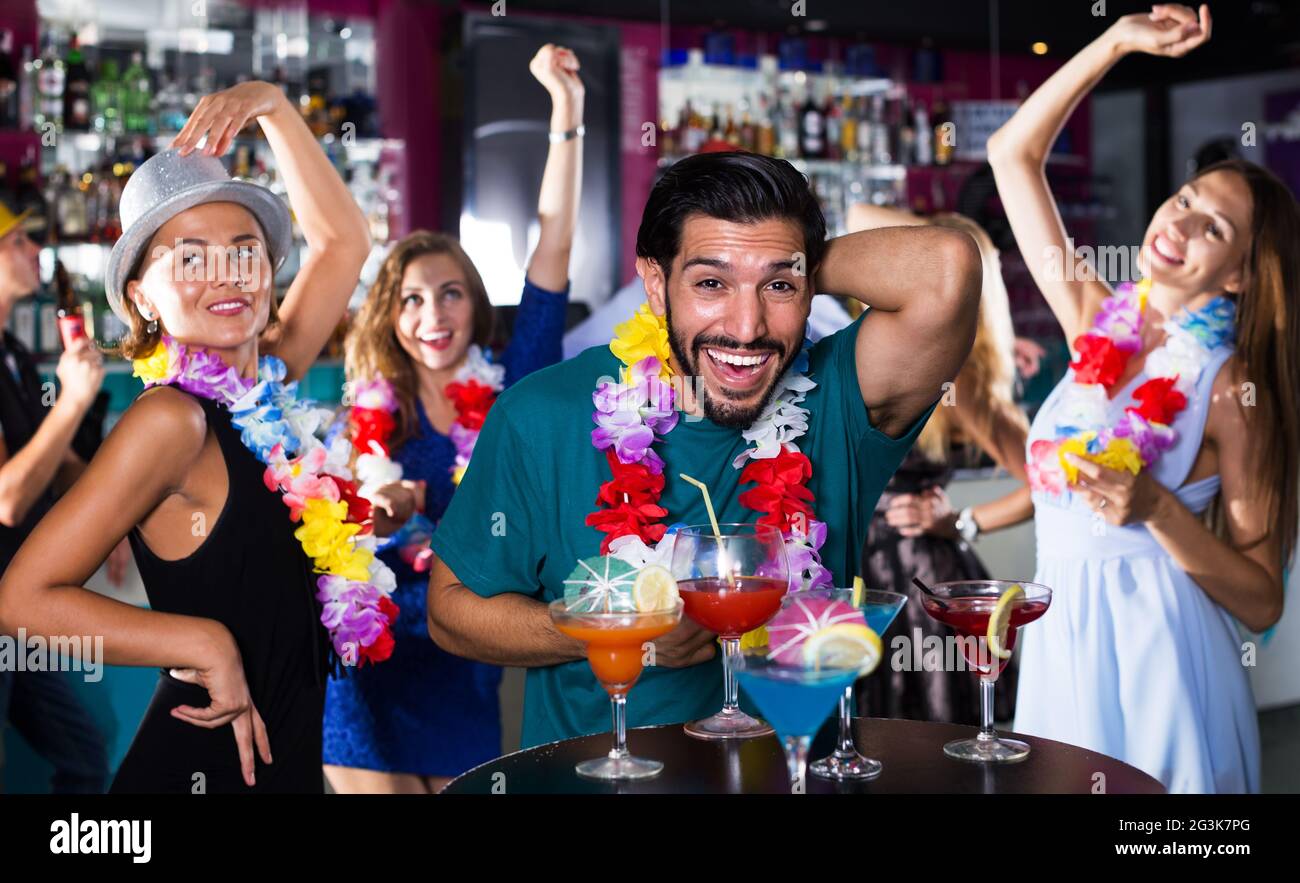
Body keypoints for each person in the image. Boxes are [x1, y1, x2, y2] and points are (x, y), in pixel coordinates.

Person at [426, 150, 982, 748]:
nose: (746, 327)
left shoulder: (836, 398)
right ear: (657, 283)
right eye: (711, 283)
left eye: (778, 287)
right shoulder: (541, 414)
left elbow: (946, 267)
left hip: (797, 778)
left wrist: (777, 265)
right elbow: (451, 611)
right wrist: (609, 631)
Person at [0, 79, 371, 793]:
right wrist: (199, 640)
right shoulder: (172, 420)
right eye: (190, 256)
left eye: (244, 248)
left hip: (280, 766)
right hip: (200, 773)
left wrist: (273, 108)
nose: (227, 273)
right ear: (141, 292)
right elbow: (21, 599)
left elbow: (343, 242)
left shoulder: (264, 386)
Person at [989, 3, 1297, 792]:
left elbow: (1262, 601)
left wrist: (1157, 509)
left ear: (1235, 277)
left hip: (1166, 664)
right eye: (1188, 200)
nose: (1181, 224)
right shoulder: (1095, 314)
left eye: (1216, 230)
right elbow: (1011, 152)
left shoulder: (1229, 385)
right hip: (1062, 652)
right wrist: (1117, 41)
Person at [322, 43, 583, 794]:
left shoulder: (512, 384)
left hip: (463, 653)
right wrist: (376, 513)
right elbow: (334, 536)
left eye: (449, 294)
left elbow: (553, 240)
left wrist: (567, 109)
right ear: (389, 314)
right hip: (373, 663)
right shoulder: (369, 409)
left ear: (475, 302)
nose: (430, 314)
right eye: (409, 298)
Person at [845, 206, 1035, 725]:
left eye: (923, 265)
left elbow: (1048, 483)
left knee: (925, 734)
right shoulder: (881, 351)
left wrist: (961, 523)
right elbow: (857, 214)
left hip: (914, 572)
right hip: (861, 560)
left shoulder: (963, 380)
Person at [0, 201, 113, 793]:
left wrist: (121, 515)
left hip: (14, 612)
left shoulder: (14, 354)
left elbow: (60, 468)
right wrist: (72, 400)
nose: (32, 250)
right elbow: (8, 499)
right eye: (15, 241)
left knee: (86, 752)